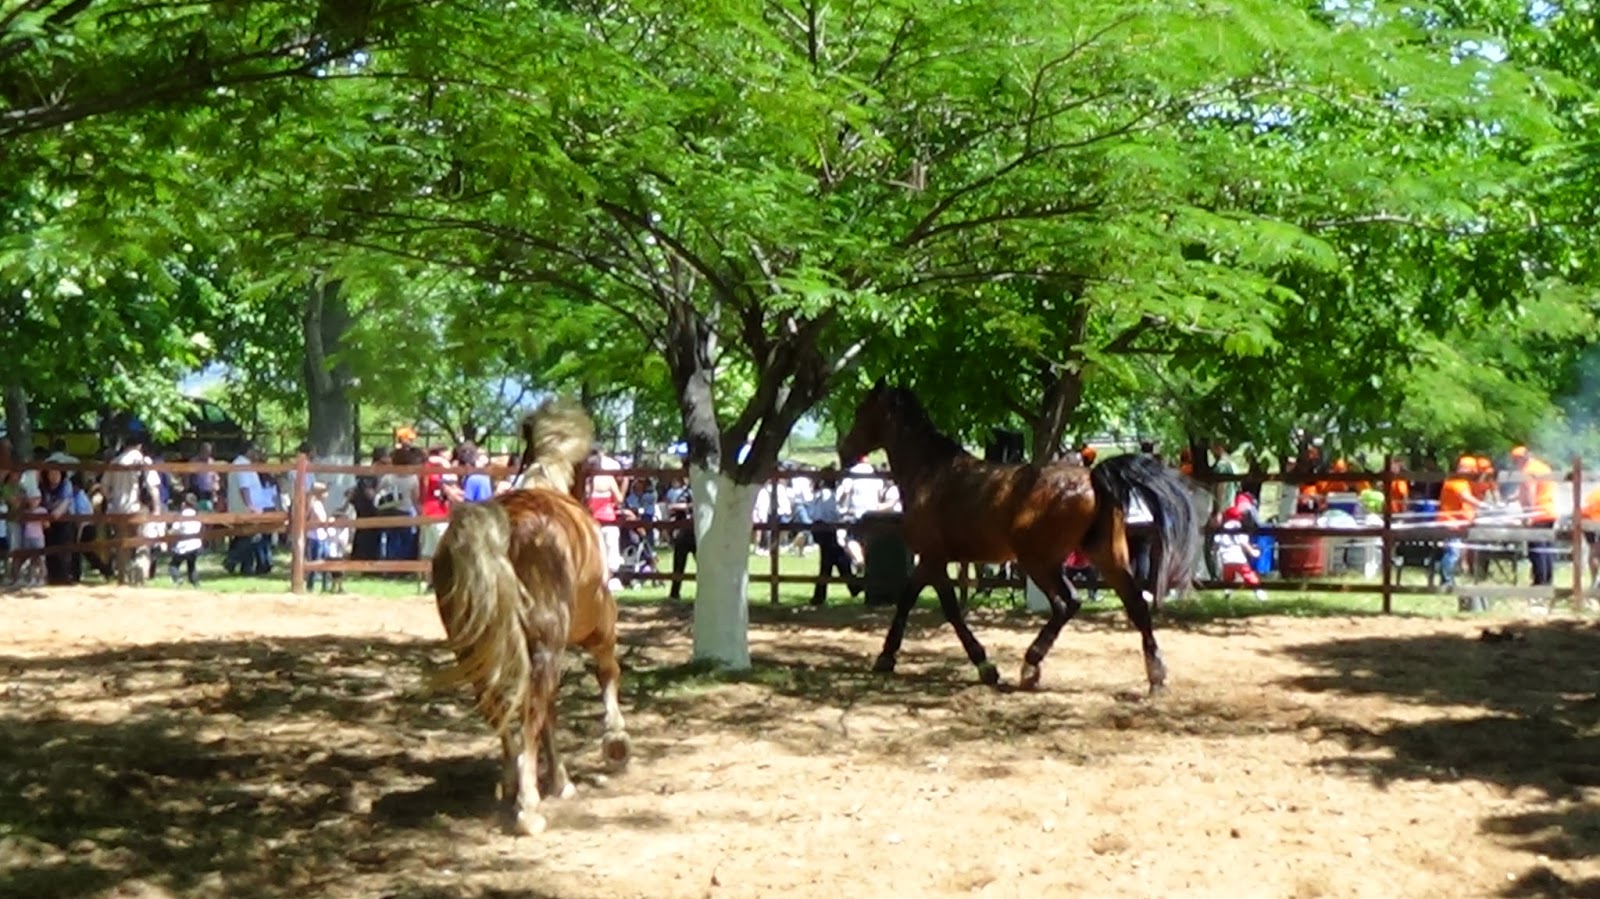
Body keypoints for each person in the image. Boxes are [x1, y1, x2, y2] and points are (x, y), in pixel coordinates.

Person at [1509, 445, 1558, 586]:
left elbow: (1531, 491)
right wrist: (1514, 497)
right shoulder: (1543, 467)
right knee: (1547, 549)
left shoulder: (1528, 471)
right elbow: (1536, 488)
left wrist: (1529, 514)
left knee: (1536, 551)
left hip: (1537, 514)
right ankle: (1547, 580)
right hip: (1549, 511)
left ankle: (1540, 583)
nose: (1514, 464)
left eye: (1515, 461)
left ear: (1521, 458)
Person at [167, 493, 204, 586]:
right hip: (195, 544)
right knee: (191, 565)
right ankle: (195, 582)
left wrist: (169, 532)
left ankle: (178, 578)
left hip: (184, 545)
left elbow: (175, 529)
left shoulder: (182, 515)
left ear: (184, 503)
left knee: (173, 565)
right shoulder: (197, 514)